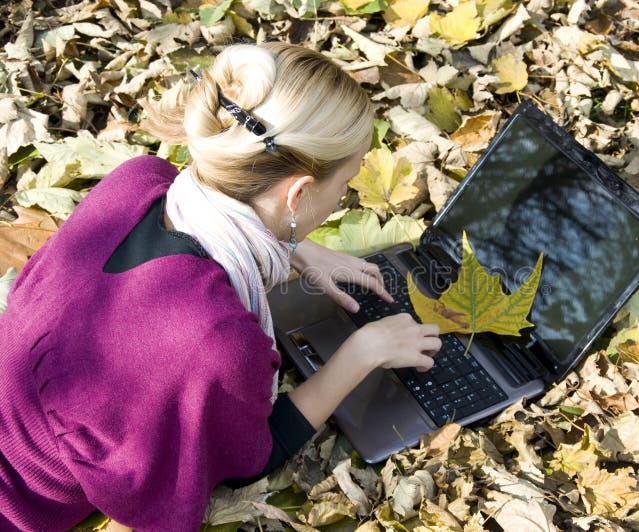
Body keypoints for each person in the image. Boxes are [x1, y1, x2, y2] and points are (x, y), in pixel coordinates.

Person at [0, 42, 441, 531]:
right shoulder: (215, 340)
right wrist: (362, 353)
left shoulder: (137, 181)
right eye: (347, 181)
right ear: (297, 193)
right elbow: (248, 458)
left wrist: (295, 248)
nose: (346, 196)